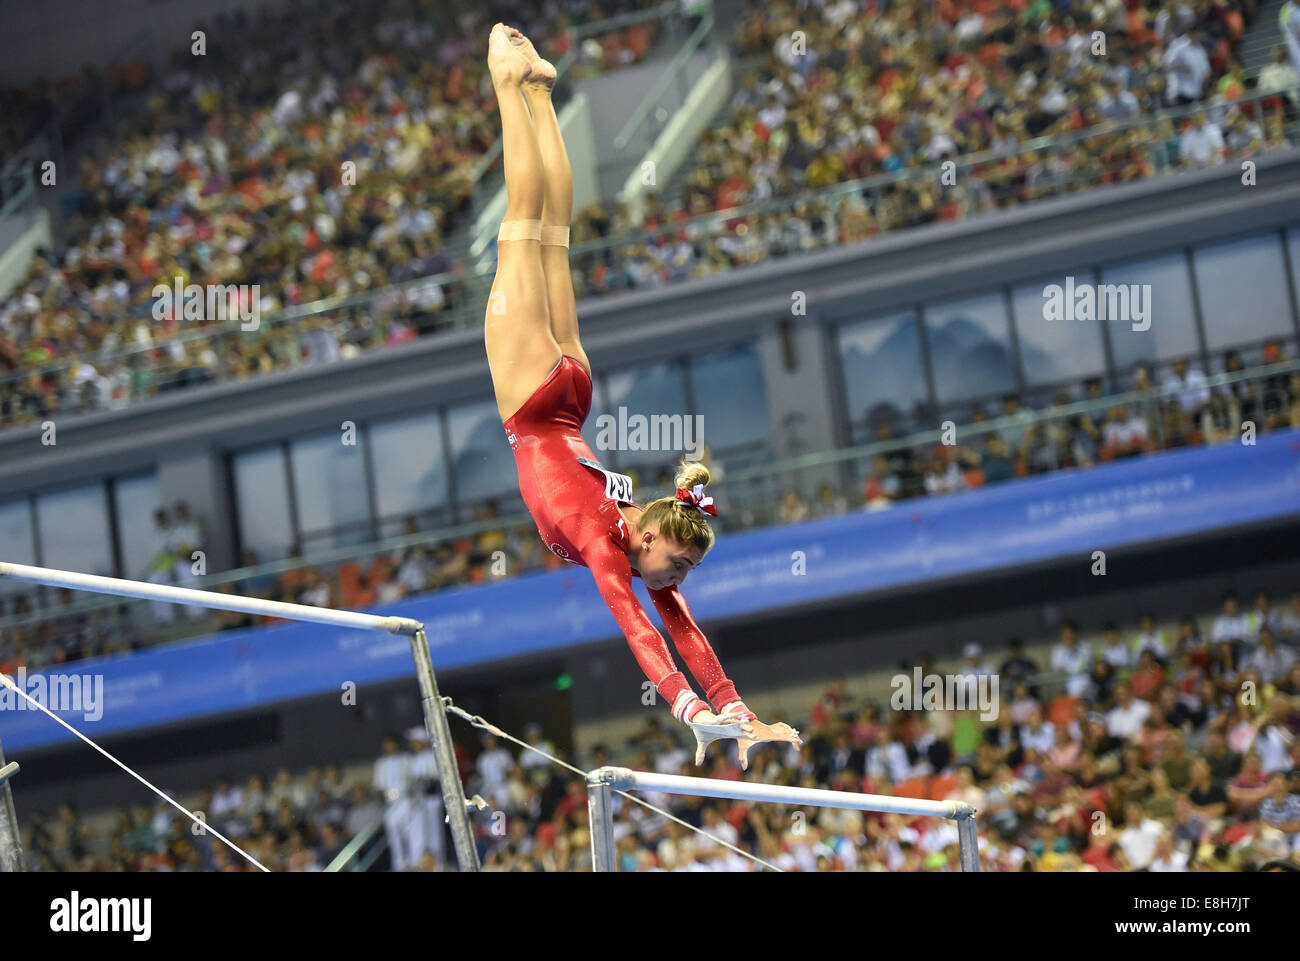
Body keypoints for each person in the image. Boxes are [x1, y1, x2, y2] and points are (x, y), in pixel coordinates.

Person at [482, 24, 800, 769]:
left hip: (561, 399)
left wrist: (736, 714)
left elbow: (676, 631)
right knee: (530, 225)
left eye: (681, 574)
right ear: (653, 539)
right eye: (679, 570)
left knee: (545, 229)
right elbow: (639, 629)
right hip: (539, 403)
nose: (678, 583)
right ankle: (512, 83)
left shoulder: (627, 539)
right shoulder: (607, 538)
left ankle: (534, 89)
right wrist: (696, 707)